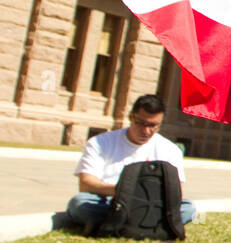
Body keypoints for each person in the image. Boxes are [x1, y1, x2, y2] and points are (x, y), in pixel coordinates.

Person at [66, 94, 197, 229]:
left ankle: (117, 223)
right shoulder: (100, 143)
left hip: (151, 203)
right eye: (140, 123)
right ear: (130, 117)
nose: (146, 131)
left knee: (188, 209)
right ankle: (145, 224)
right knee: (78, 204)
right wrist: (124, 192)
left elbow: (175, 191)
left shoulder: (170, 149)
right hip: (109, 200)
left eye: (153, 126)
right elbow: (86, 184)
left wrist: (143, 197)